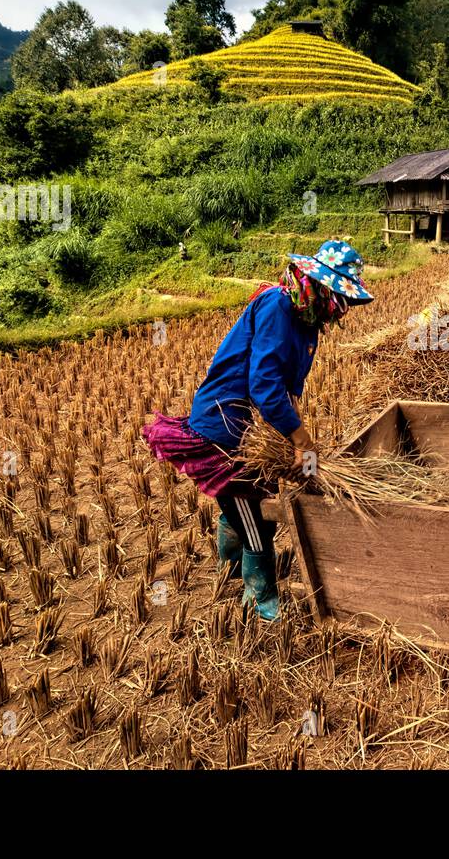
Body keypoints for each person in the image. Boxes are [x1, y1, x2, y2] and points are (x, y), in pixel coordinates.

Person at [142, 240, 374, 620]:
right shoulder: (279, 307)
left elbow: (288, 389)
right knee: (253, 512)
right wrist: (302, 441)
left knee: (244, 507)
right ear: (319, 285)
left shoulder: (307, 322)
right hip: (227, 427)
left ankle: (229, 567)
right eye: (338, 296)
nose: (341, 309)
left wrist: (301, 446)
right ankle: (259, 594)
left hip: (254, 432)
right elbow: (264, 387)